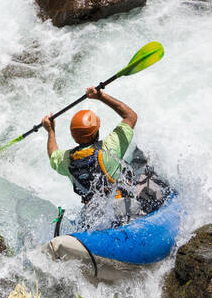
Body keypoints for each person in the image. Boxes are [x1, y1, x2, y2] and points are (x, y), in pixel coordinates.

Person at [43, 86, 171, 223]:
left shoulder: (67, 160)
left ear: (73, 136)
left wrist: (51, 131)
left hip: (94, 214)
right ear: (96, 131)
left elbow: (53, 155)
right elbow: (130, 116)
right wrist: (101, 96)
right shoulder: (109, 147)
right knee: (150, 173)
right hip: (124, 207)